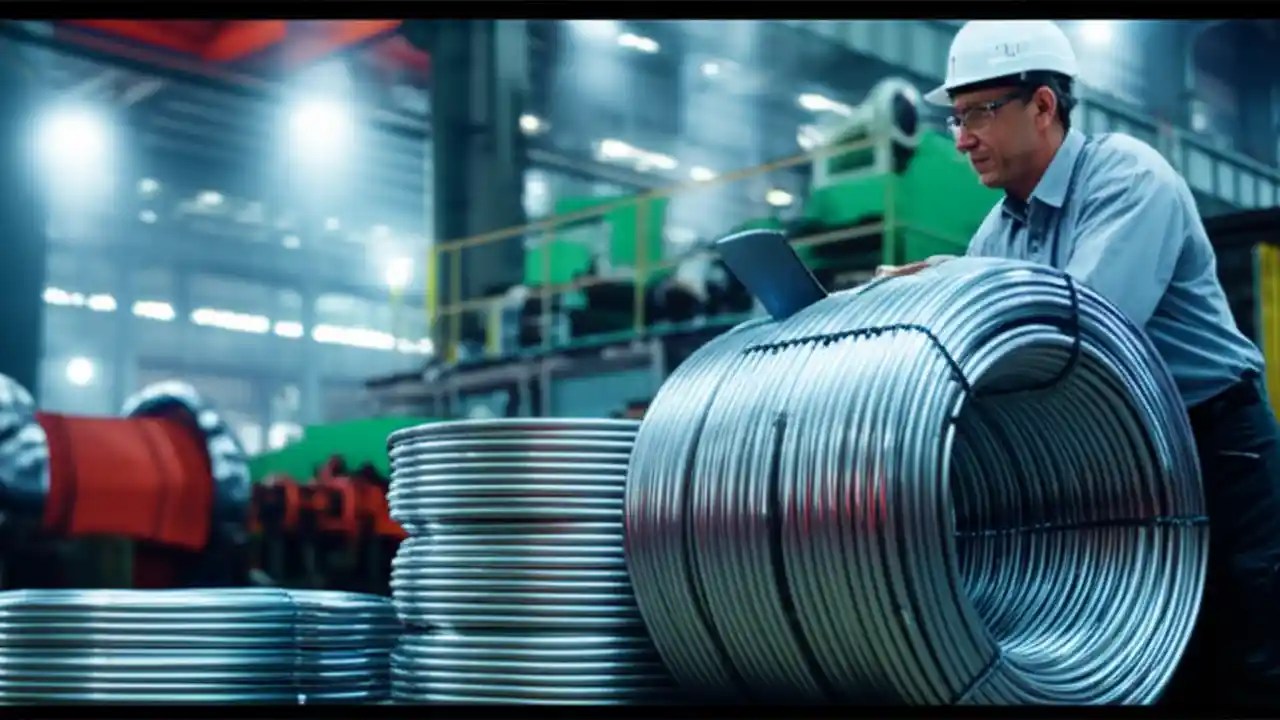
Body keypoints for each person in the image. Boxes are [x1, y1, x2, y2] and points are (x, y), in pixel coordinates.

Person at [877, 19, 1280, 708]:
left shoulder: (1128, 177)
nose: (963, 137)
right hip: (1127, 467)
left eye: (978, 112)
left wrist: (963, 285)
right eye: (955, 118)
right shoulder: (996, 230)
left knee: (1251, 655)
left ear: (1042, 107)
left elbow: (1083, 336)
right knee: (1163, 665)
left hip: (1217, 449)